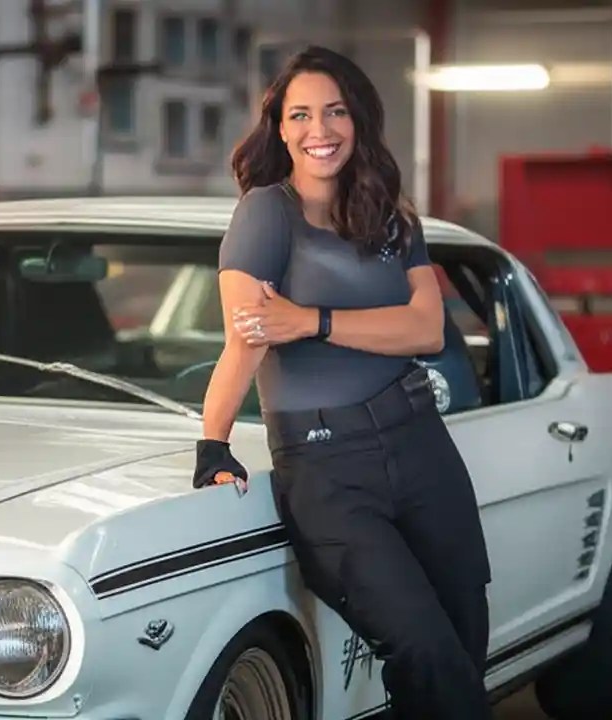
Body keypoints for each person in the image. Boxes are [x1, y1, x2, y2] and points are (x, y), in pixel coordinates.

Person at [191, 46, 494, 720]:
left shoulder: (391, 215)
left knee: (465, 634)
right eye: (299, 115)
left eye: (333, 111)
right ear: (281, 128)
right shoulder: (267, 213)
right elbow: (246, 337)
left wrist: (311, 320)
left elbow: (426, 331)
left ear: (358, 119)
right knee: (422, 647)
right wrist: (213, 444)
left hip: (421, 443)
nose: (318, 129)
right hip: (328, 467)